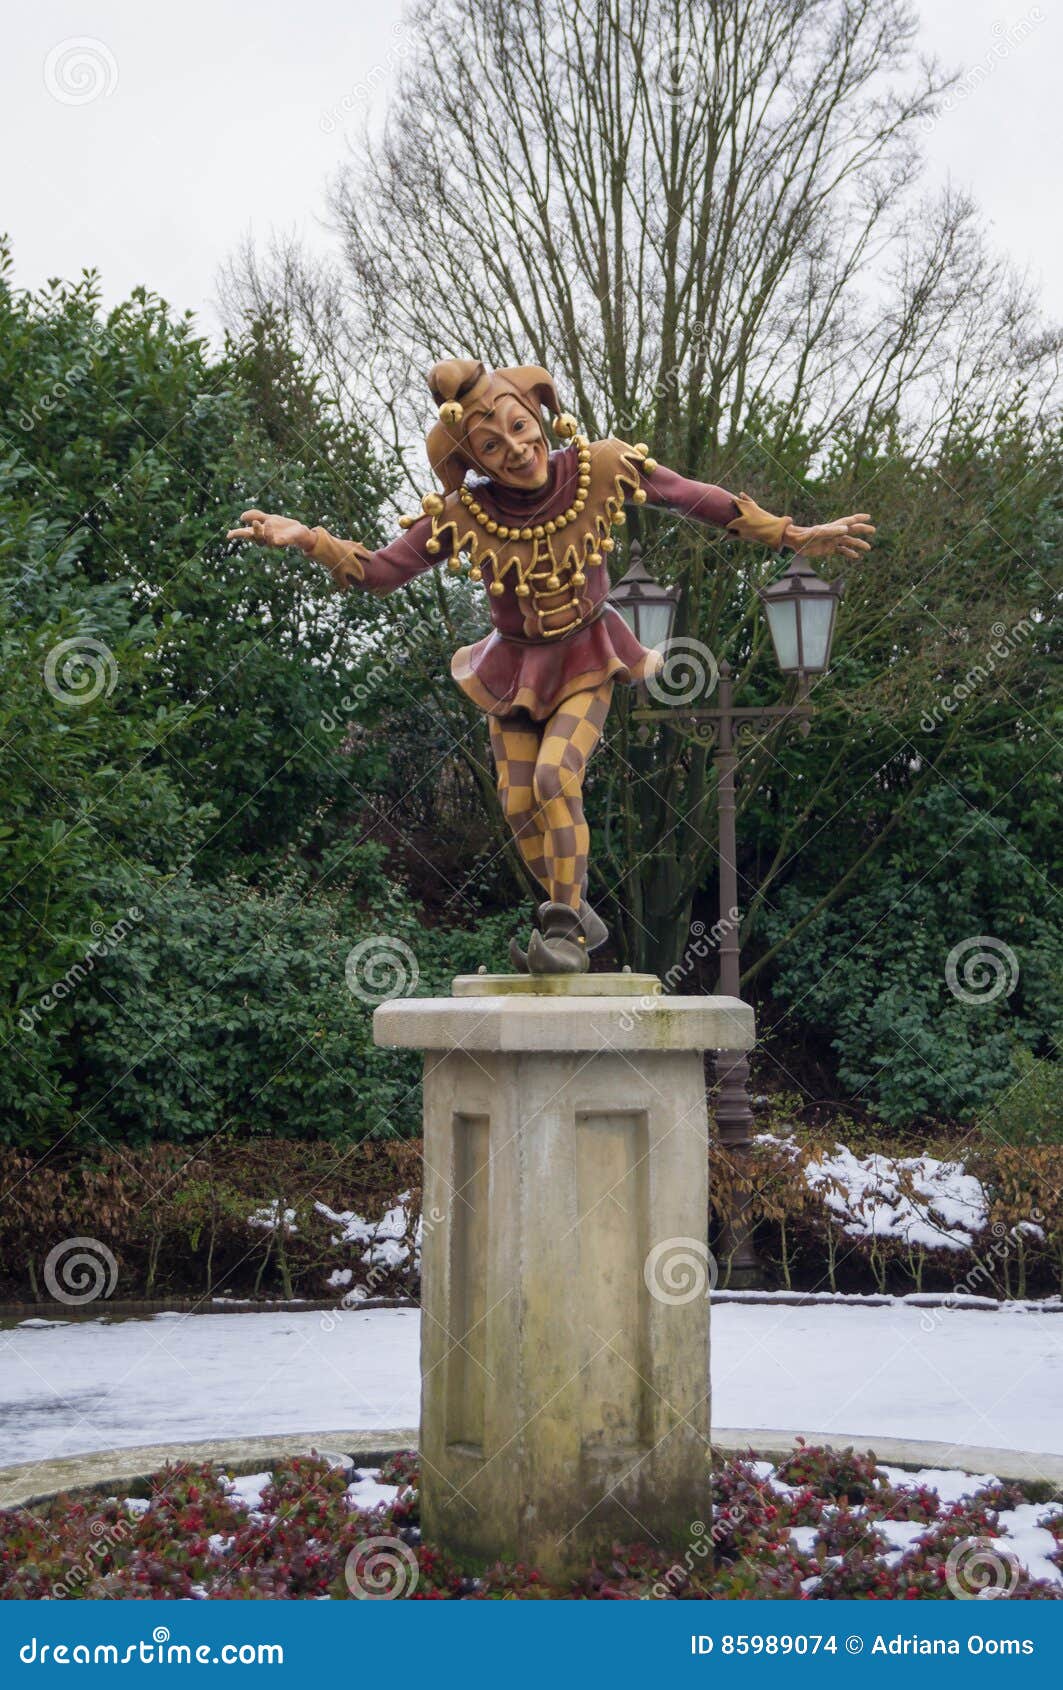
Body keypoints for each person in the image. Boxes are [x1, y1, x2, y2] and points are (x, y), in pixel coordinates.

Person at [228, 358, 872, 973]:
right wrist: (309, 538)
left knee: (554, 778)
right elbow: (381, 571)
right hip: (512, 670)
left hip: (587, 654)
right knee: (517, 804)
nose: (515, 448)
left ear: (538, 413)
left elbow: (692, 497)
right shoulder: (463, 515)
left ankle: (563, 932)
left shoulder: (601, 467)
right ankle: (577, 911)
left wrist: (790, 534)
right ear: (472, 460)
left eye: (519, 426)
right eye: (491, 445)